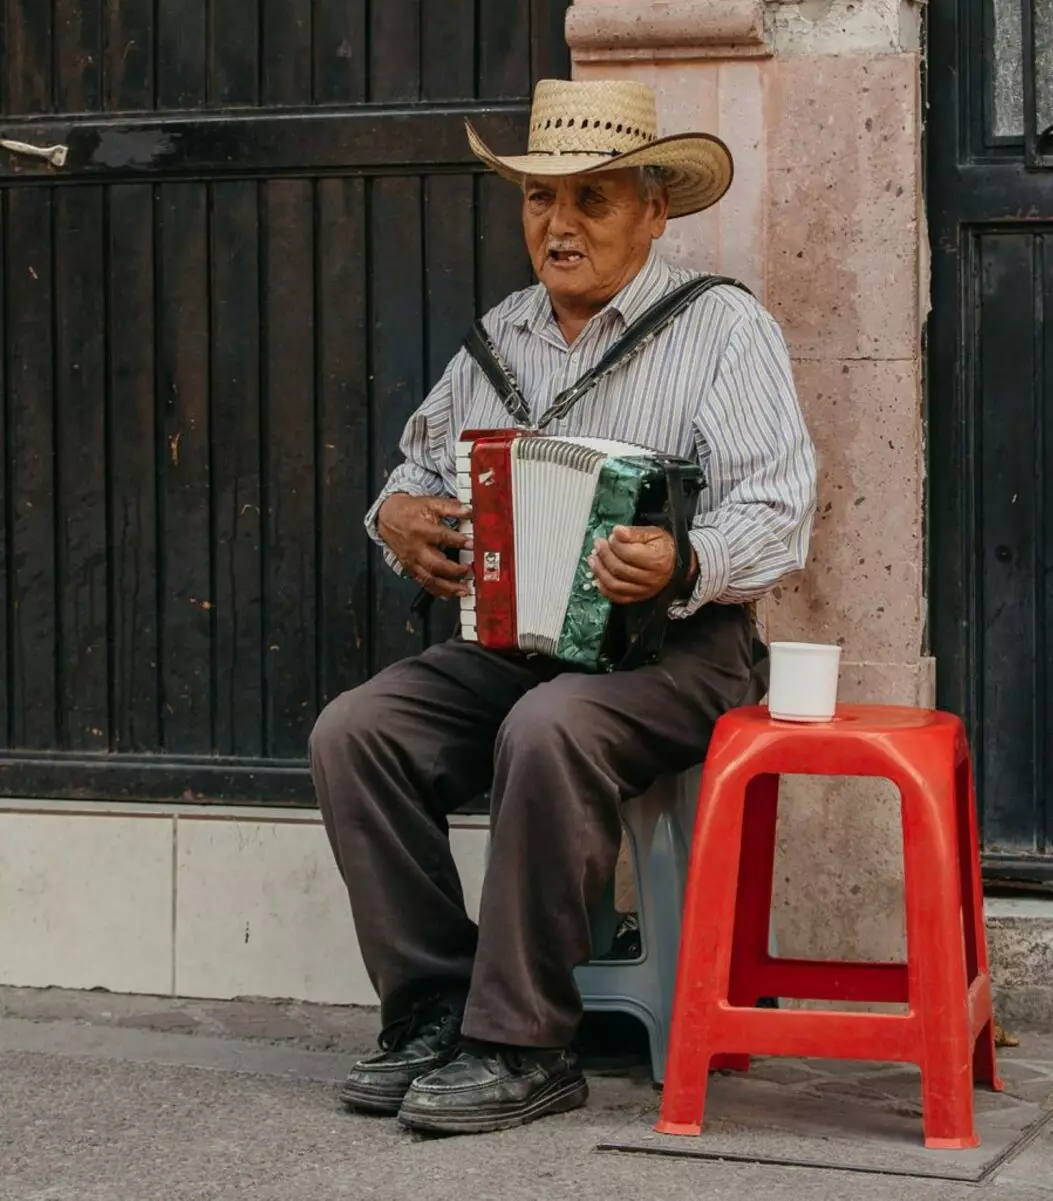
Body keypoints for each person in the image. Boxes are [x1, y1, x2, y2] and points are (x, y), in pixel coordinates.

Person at [310, 78, 817, 1136]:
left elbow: (782, 511)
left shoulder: (722, 329)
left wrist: (682, 560)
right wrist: (399, 518)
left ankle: (525, 1042)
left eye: (591, 200)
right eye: (541, 201)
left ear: (653, 211)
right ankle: (436, 1010)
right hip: (521, 644)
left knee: (551, 725)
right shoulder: (501, 337)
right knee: (356, 731)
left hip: (678, 657)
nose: (560, 224)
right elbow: (411, 471)